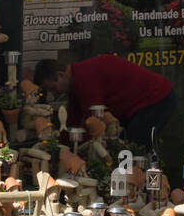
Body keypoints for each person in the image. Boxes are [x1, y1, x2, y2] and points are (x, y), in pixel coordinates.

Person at [33, 55, 176, 149]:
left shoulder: (85, 79)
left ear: (61, 75)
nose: (54, 94)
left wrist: (62, 146)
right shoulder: (76, 82)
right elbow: (74, 123)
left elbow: (95, 124)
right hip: (145, 103)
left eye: (52, 88)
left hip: (155, 100)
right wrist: (59, 142)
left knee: (131, 151)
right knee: (126, 148)